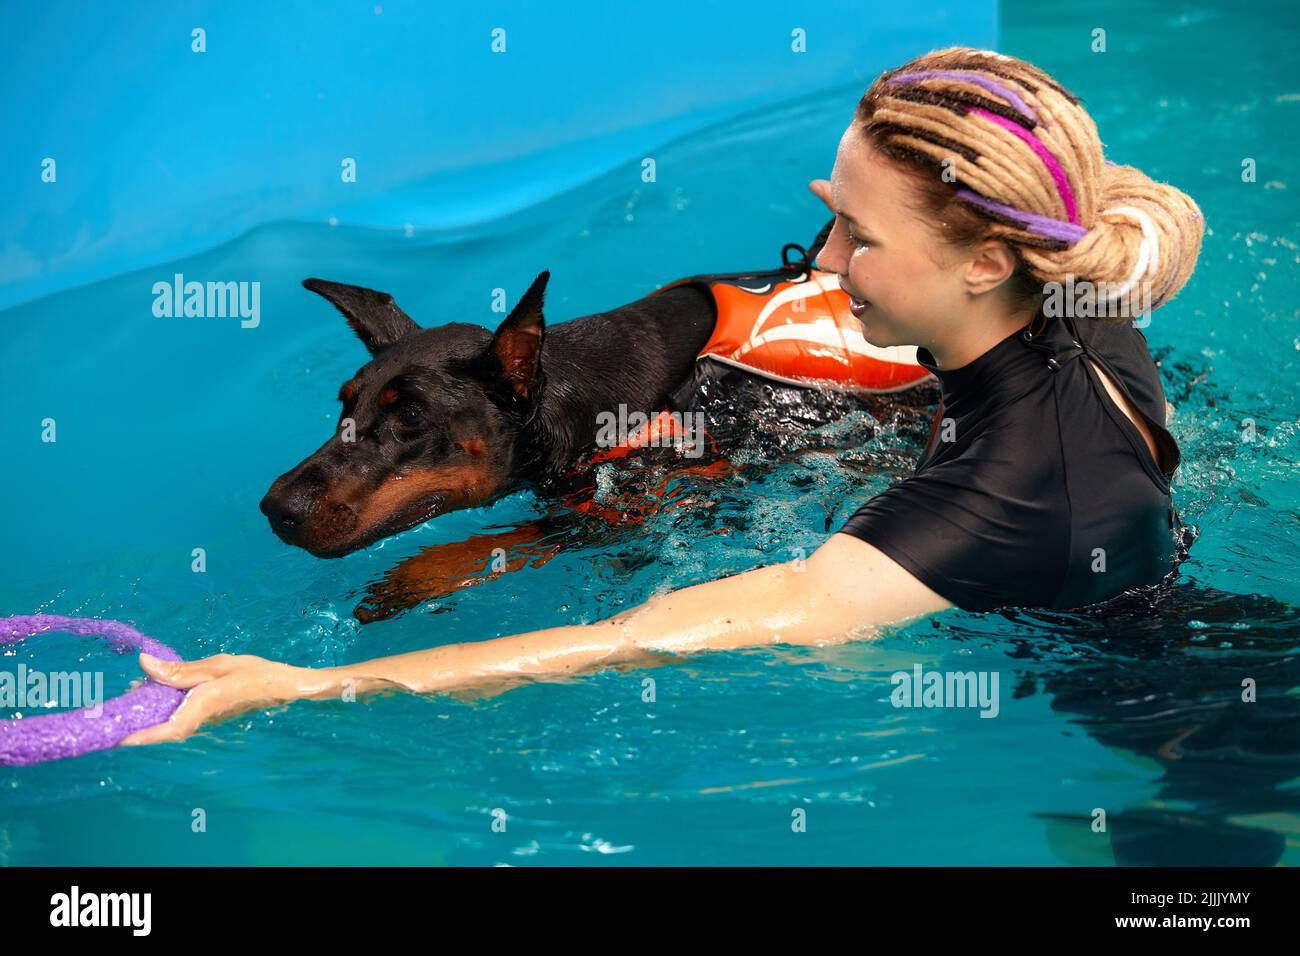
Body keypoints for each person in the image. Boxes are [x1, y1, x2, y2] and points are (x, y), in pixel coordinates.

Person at [123, 47, 1203, 746]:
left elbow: (636, 637)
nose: (819, 263)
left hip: (1171, 728)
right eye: (829, 215)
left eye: (861, 238)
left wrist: (294, 686)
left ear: (982, 263)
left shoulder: (996, 494)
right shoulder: (1078, 294)